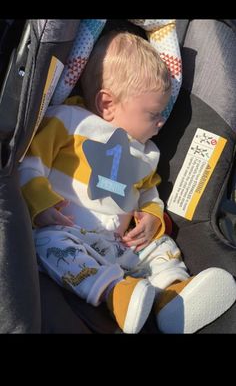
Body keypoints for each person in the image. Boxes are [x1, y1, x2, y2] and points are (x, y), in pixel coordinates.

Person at [18, 31, 236, 334]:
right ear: (107, 104)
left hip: (122, 244)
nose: (162, 122)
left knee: (160, 246)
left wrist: (151, 216)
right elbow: (29, 163)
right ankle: (115, 295)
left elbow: (149, 191)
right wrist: (40, 203)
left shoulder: (147, 152)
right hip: (67, 231)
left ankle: (172, 294)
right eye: (153, 114)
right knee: (47, 245)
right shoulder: (69, 121)